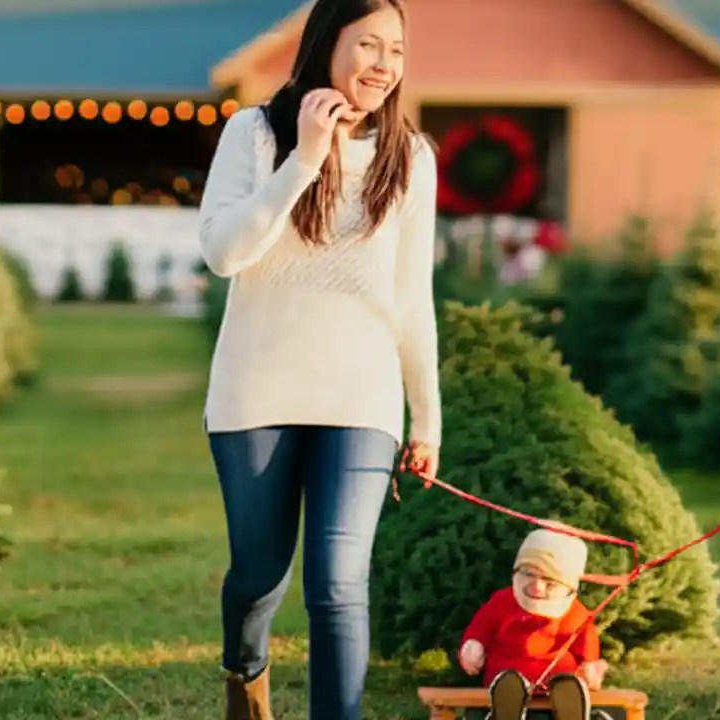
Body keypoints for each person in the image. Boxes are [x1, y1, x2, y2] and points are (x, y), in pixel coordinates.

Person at [196, 1, 441, 718]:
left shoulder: (410, 157)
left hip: (360, 400)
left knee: (338, 585)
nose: (383, 65)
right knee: (259, 573)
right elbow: (223, 253)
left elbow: (411, 299)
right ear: (326, 44)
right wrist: (304, 160)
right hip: (256, 393)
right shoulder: (255, 132)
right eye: (368, 44)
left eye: (396, 50)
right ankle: (245, 670)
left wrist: (426, 420)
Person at [458, 526, 610, 720]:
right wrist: (473, 645)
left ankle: (570, 710)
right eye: (529, 575)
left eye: (549, 582)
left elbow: (586, 639)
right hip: (508, 671)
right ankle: (506, 708)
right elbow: (482, 626)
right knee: (509, 684)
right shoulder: (503, 601)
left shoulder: (574, 611)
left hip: (555, 680)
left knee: (565, 686)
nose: (537, 587)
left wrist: (591, 665)